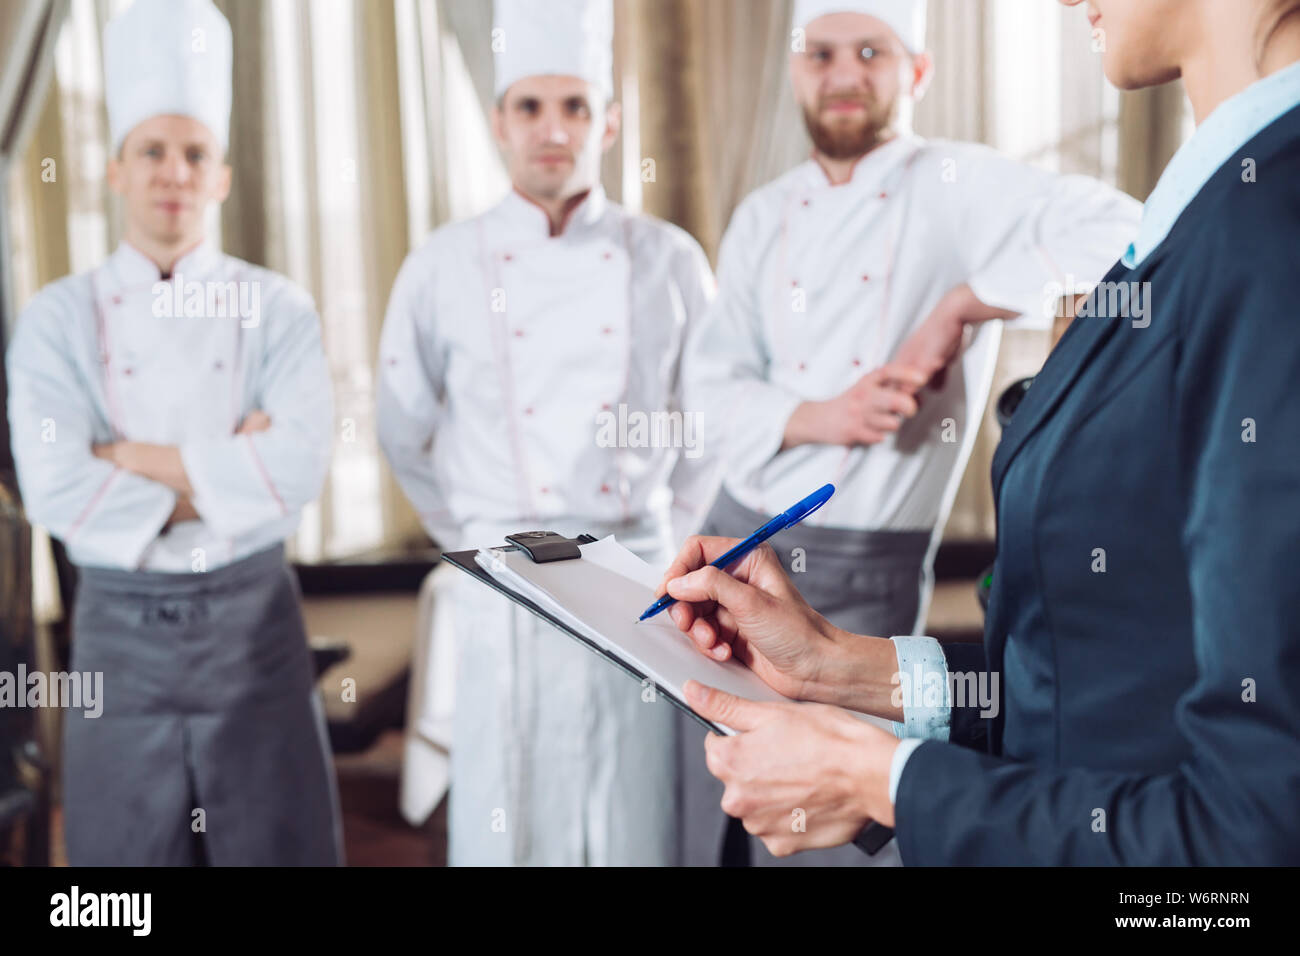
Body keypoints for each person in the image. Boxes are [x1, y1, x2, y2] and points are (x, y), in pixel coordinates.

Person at [657, 0, 1300, 865]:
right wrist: (838, 665)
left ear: (915, 72)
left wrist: (881, 781)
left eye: (871, 52)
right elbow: (1088, 685)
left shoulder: (1265, 235)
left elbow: (1244, 844)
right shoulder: (1214, 212)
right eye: (822, 53)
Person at [377, 0, 717, 865]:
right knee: (507, 821)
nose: (552, 129)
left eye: (574, 107)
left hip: (630, 590)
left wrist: (660, 548)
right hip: (504, 592)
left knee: (633, 826)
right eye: (530, 106)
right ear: (499, 121)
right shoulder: (443, 265)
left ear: (608, 120)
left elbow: (710, 430)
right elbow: (402, 427)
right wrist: (475, 541)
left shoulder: (670, 258)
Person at [5, 0, 342, 865]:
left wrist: (127, 460)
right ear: (115, 170)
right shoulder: (56, 320)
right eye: (151, 150)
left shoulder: (279, 307)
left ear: (222, 176)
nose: (174, 173)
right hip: (119, 646)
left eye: (195, 154)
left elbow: (300, 465)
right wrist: (230, 469)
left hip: (256, 637)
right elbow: (53, 487)